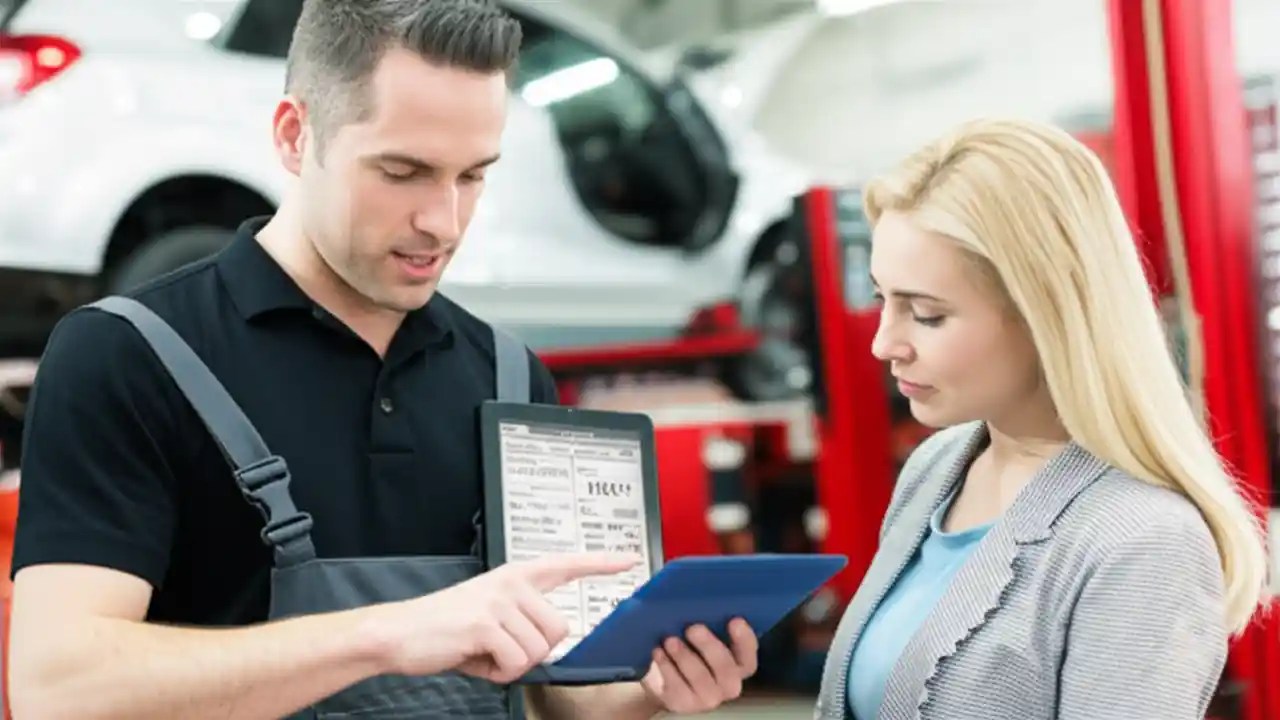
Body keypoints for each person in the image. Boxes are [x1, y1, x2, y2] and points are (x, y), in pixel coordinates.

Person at [6, 1, 758, 718]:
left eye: (473, 175)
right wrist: (387, 636)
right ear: (297, 136)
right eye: (403, 173)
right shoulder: (127, 356)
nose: (444, 221)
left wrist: (653, 684)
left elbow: (566, 692)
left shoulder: (508, 375)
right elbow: (59, 691)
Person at [812, 118, 1271, 720]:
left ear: (1044, 314)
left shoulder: (1141, 541)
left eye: (925, 314)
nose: (884, 344)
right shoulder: (937, 469)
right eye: (883, 299)